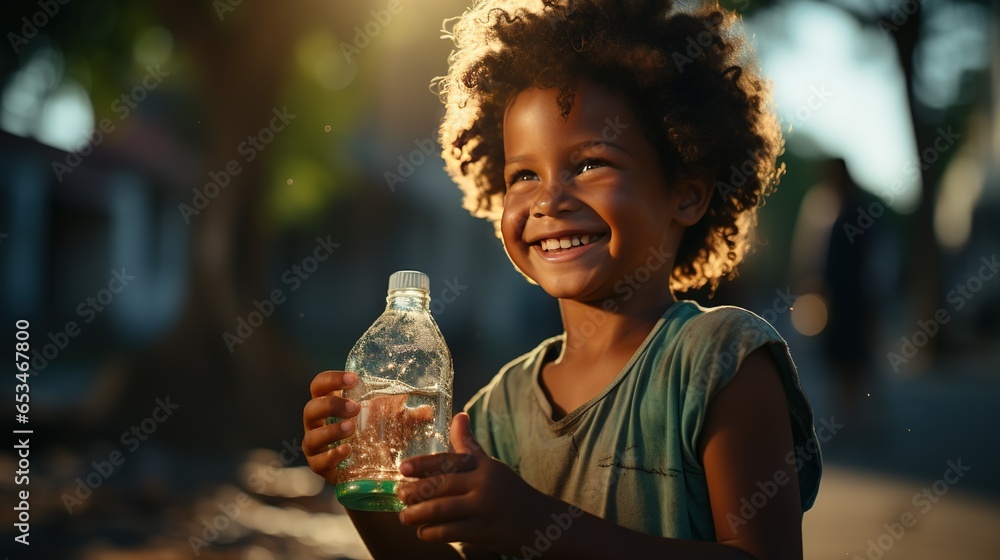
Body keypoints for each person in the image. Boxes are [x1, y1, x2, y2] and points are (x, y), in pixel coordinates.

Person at [302, 1, 822, 558]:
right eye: (524, 174)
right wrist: (364, 484)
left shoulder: (721, 362)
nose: (549, 200)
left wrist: (536, 523)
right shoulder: (497, 409)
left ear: (687, 193)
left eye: (591, 164)